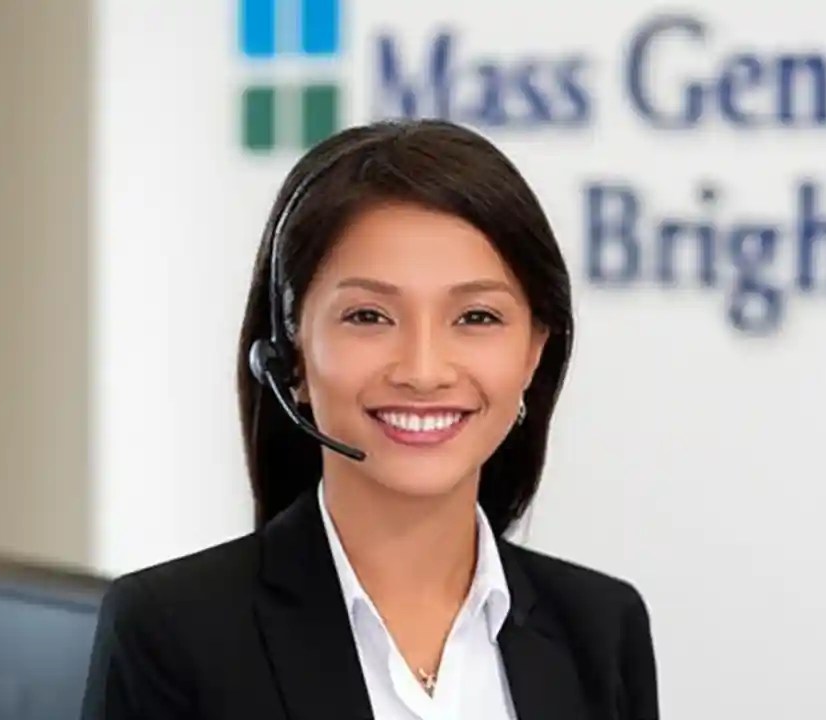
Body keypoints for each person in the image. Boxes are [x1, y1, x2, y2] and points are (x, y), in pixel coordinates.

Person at [80, 119, 659, 720]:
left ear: (535, 353)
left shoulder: (600, 629)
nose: (424, 370)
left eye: (477, 318)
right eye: (368, 316)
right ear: (290, 355)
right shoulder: (173, 634)